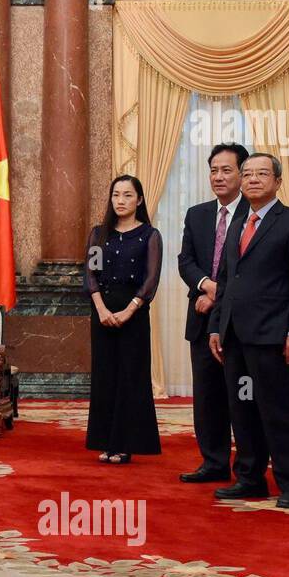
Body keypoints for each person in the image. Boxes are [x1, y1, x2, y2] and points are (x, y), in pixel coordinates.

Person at [208, 152, 289, 508]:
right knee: (242, 408)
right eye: (248, 173)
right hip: (235, 336)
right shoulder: (238, 221)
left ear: (278, 182)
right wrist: (215, 327)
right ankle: (250, 478)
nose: (253, 179)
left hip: (273, 336)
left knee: (277, 410)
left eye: (261, 174)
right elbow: (225, 281)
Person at [177, 143, 250, 483]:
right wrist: (208, 286)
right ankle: (213, 462)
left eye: (226, 170)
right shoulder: (197, 214)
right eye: (214, 170)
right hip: (202, 317)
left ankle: (249, 466)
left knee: (242, 395)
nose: (218, 177)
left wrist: (219, 295)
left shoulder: (255, 213)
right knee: (207, 397)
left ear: (242, 173)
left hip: (240, 322)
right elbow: (185, 260)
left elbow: (251, 271)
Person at [84, 175, 162, 464]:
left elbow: (151, 279)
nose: (121, 200)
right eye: (116, 194)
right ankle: (105, 442)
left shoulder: (150, 236)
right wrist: (102, 310)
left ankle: (126, 444)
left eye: (128, 195)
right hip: (102, 310)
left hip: (135, 313)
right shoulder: (98, 234)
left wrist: (129, 310)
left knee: (131, 377)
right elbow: (90, 275)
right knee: (106, 376)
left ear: (139, 200)